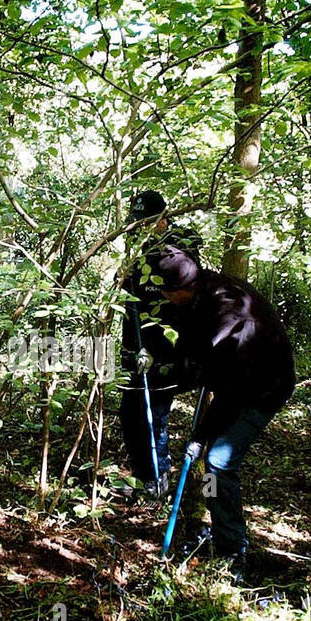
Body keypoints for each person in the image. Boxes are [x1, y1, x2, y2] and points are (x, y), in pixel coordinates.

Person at [152, 248, 296, 580]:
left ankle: (233, 550)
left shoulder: (234, 322)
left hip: (263, 388)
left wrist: (200, 436)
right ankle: (215, 529)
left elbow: (231, 393)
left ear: (182, 288)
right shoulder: (202, 290)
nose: (163, 297)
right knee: (210, 466)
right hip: (235, 375)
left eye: (166, 293)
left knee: (217, 464)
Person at [118, 190, 202, 498]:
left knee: (155, 411)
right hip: (134, 343)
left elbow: (182, 301)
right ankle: (143, 477)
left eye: (146, 222)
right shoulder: (139, 249)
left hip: (165, 350)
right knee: (130, 411)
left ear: (162, 219)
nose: (140, 228)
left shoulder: (177, 253)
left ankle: (158, 478)